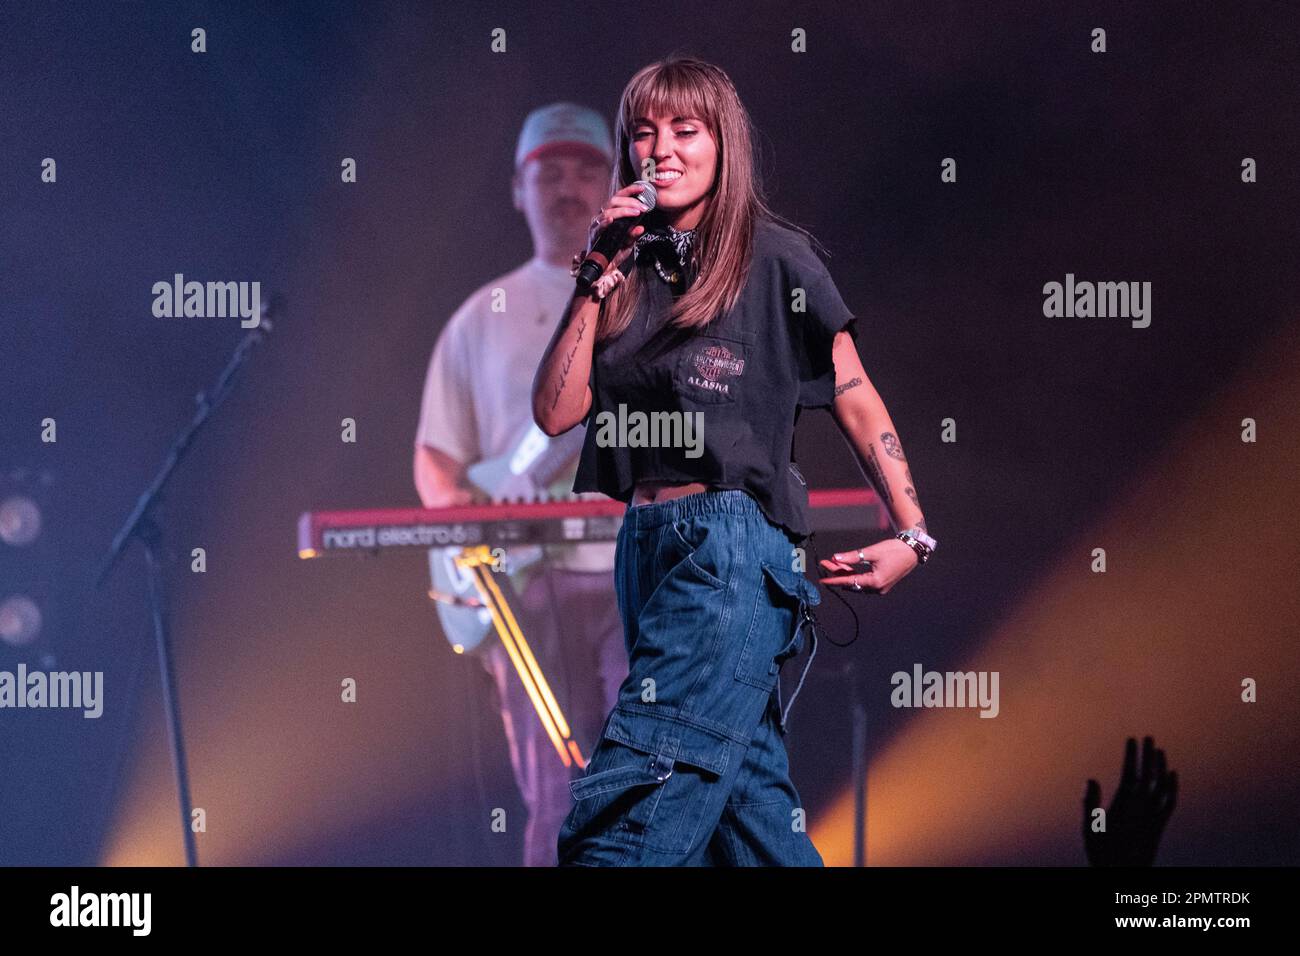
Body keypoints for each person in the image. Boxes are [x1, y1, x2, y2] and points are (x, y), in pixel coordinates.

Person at [532, 56, 937, 867]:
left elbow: (854, 393)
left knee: (632, 804)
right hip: (644, 550)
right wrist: (594, 272)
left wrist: (914, 533)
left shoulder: (776, 258)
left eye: (687, 129)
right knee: (752, 826)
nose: (663, 149)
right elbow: (555, 411)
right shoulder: (626, 267)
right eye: (644, 133)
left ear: (725, 144)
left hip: (727, 547)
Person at [414, 102, 628, 867]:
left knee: (651, 775)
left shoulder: (654, 304)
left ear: (613, 186)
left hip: (634, 572)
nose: (569, 189)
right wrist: (477, 530)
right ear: (517, 188)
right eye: (550, 173)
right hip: (524, 587)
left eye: (586, 171)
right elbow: (436, 462)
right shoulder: (479, 319)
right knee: (558, 793)